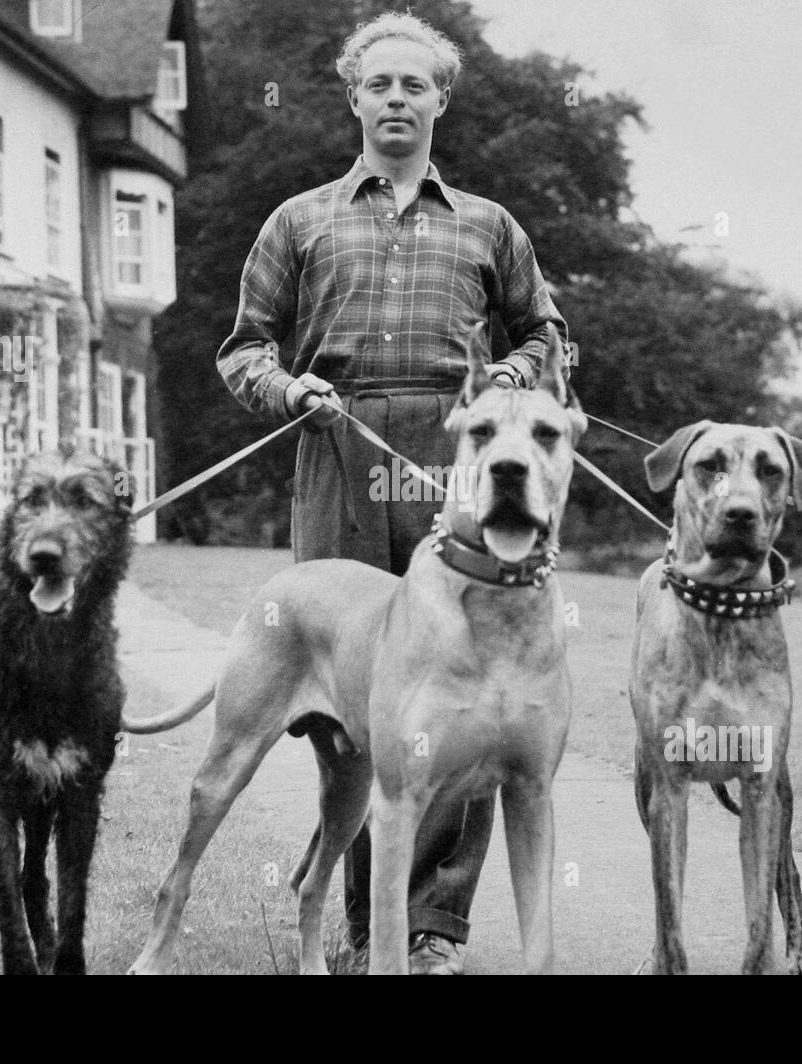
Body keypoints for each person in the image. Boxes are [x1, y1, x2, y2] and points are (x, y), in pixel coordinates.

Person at [217, 11, 567, 975]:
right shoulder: (298, 219)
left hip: (455, 459)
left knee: (473, 690)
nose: (398, 100)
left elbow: (547, 335)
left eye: (416, 85)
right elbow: (242, 348)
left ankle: (434, 929)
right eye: (381, 85)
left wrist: (509, 381)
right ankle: (369, 924)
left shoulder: (490, 224)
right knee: (365, 705)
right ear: (355, 98)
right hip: (336, 445)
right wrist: (290, 389)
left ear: (441, 100)